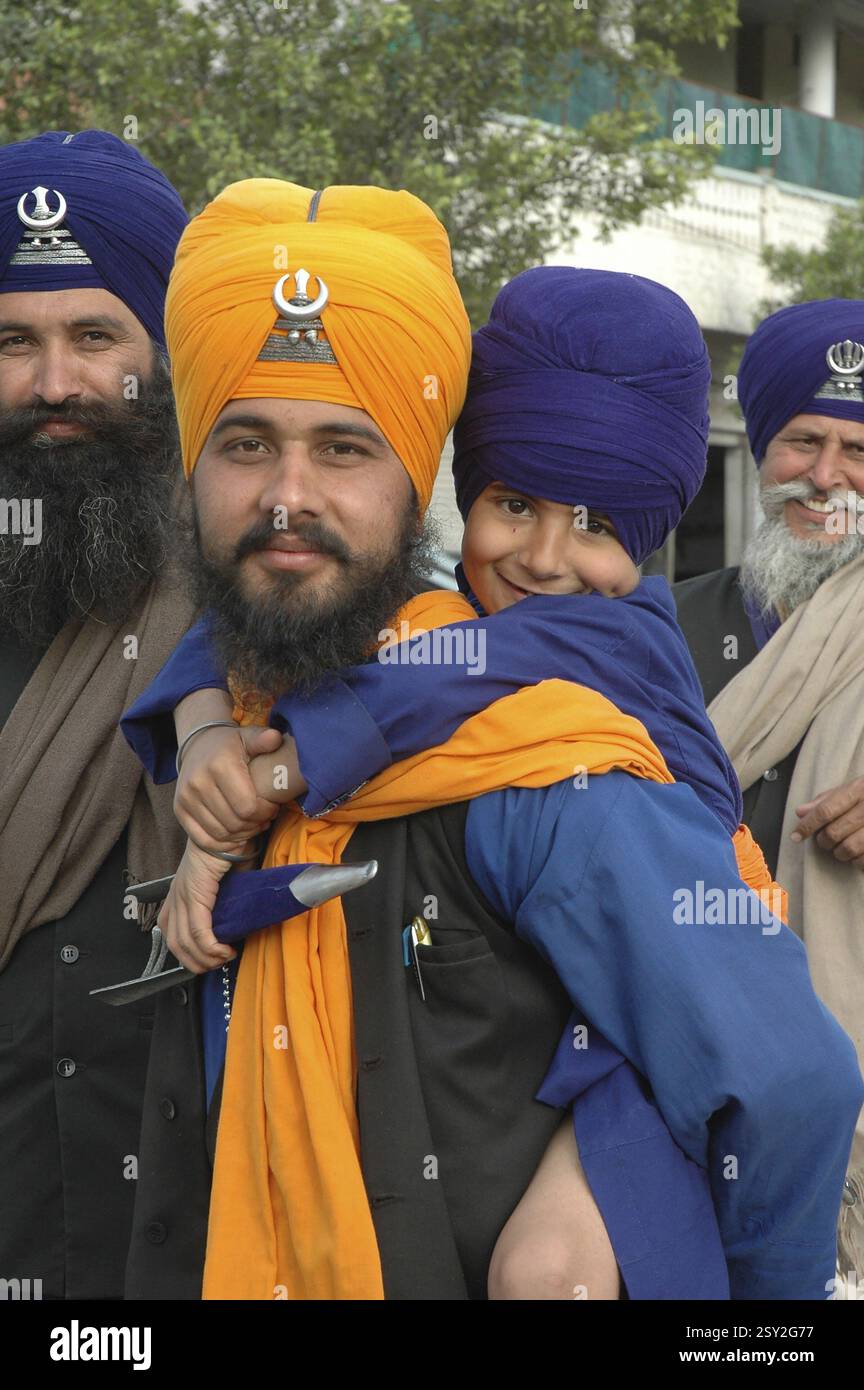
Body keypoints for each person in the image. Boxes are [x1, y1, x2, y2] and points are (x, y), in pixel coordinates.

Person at [121, 183, 862, 1302]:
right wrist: (210, 727)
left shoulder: (585, 679)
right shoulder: (354, 649)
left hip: (638, 1051)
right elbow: (242, 641)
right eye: (514, 505)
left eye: (341, 446)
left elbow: (784, 1073)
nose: (548, 559)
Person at [0, 129, 192, 1299]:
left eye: (96, 335)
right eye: (14, 340)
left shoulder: (260, 595)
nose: (55, 381)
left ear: (166, 353)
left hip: (185, 1232)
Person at [672, 298, 864, 1283]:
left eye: (857, 450)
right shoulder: (660, 628)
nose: (827, 477)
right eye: (802, 441)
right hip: (672, 1069)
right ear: (759, 448)